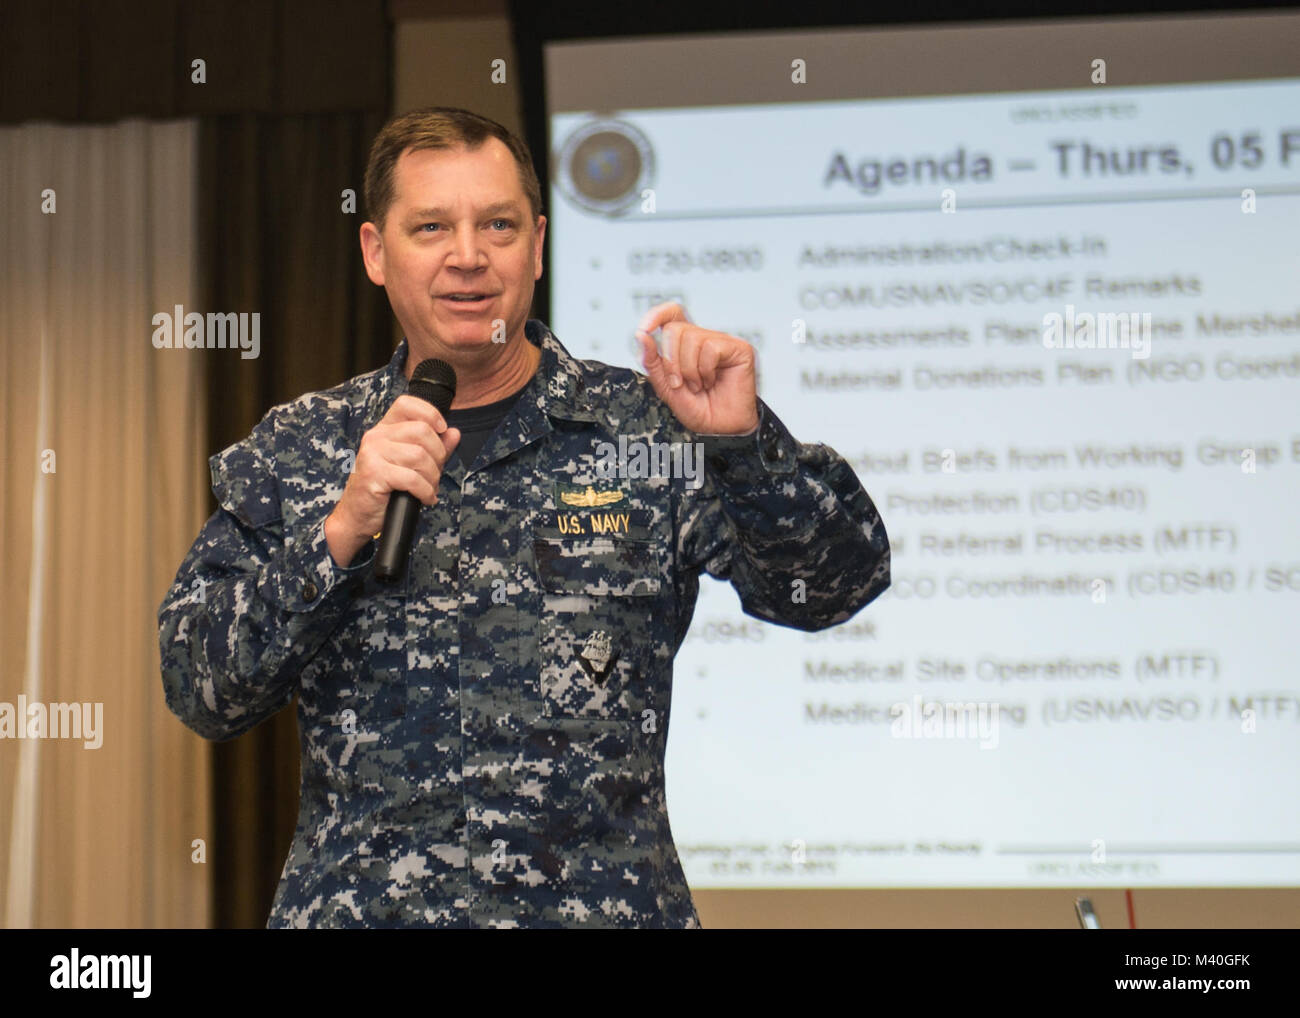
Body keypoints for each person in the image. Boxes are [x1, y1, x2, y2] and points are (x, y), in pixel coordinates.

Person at [157, 107, 890, 928]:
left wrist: (745, 445)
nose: (467, 256)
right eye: (431, 226)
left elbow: (834, 585)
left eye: (497, 225)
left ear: (537, 244)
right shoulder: (305, 447)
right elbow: (200, 688)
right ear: (375, 252)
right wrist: (339, 536)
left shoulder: (648, 428)